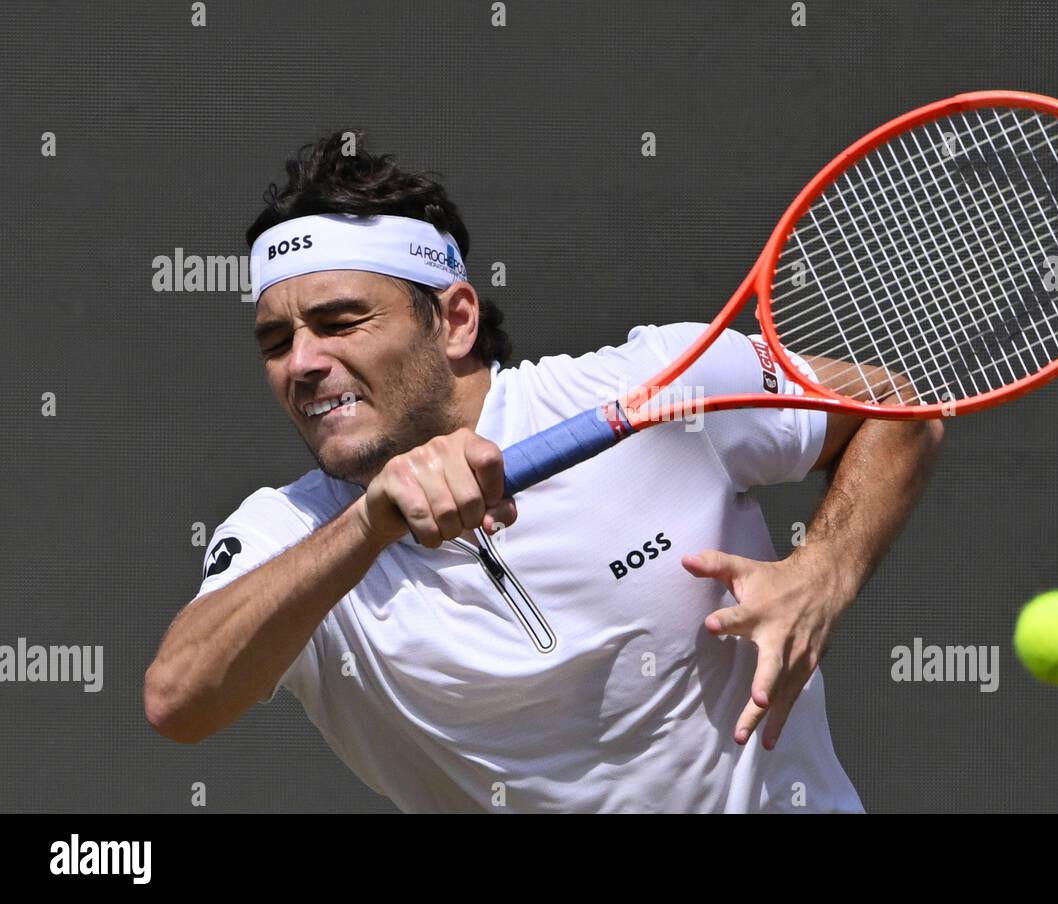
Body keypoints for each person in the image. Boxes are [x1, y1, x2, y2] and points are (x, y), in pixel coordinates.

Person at [144, 131, 943, 812]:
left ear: (454, 321)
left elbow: (898, 409)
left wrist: (823, 573)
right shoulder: (291, 534)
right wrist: (367, 524)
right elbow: (179, 700)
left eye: (340, 322)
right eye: (276, 343)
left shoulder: (654, 386)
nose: (304, 364)